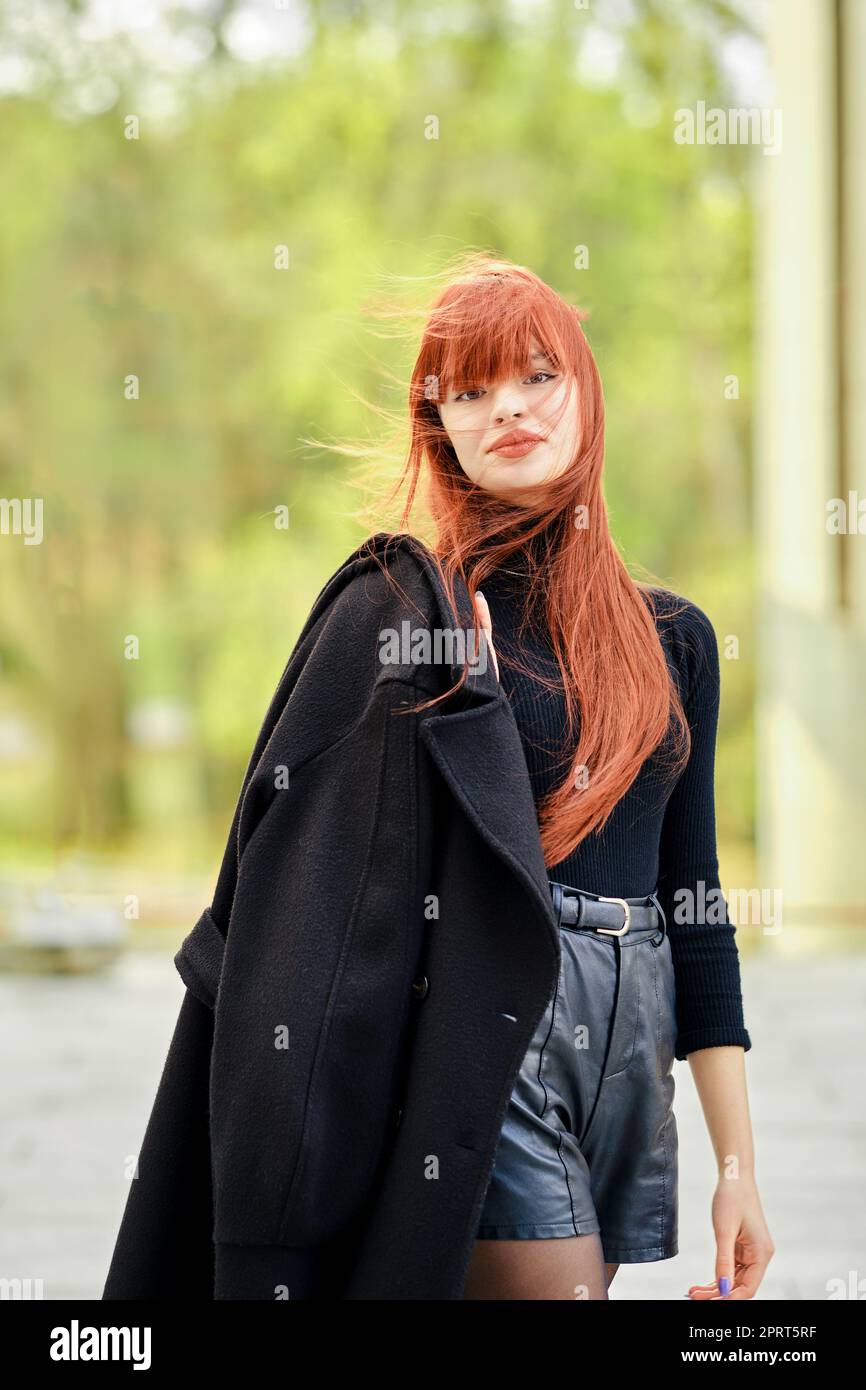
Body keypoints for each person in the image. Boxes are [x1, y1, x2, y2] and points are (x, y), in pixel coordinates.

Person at [103, 253, 773, 1301]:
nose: (505, 407)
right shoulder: (415, 622)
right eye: (468, 391)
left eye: (535, 376)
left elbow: (695, 909)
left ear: (585, 392)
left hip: (629, 1050)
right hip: (497, 1022)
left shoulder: (674, 637)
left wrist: (737, 1170)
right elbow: (318, 873)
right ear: (441, 428)